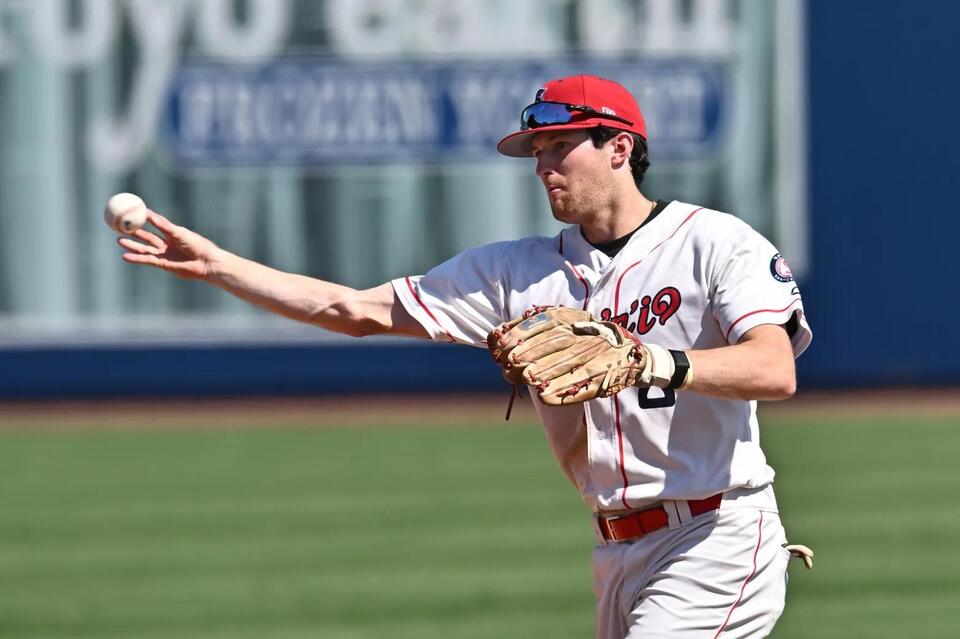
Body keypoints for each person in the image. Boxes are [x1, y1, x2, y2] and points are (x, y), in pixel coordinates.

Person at [118, 74, 812, 638]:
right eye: (535, 152)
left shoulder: (717, 243)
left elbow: (774, 368)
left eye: (558, 146)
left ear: (620, 148)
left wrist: (651, 361)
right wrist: (218, 267)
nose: (542, 167)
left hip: (716, 533)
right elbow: (352, 310)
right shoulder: (516, 272)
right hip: (617, 549)